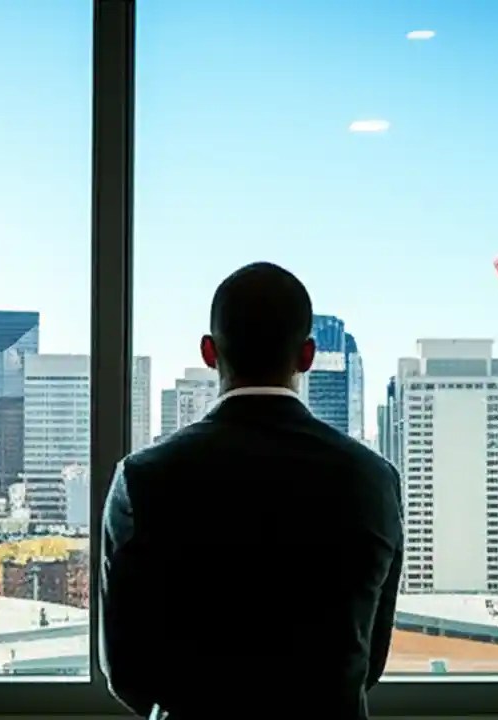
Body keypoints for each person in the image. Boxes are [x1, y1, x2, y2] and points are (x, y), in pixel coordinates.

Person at [99, 262, 403, 719]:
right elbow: (369, 660)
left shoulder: (142, 479)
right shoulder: (374, 479)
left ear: (208, 351)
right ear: (306, 356)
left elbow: (124, 670)